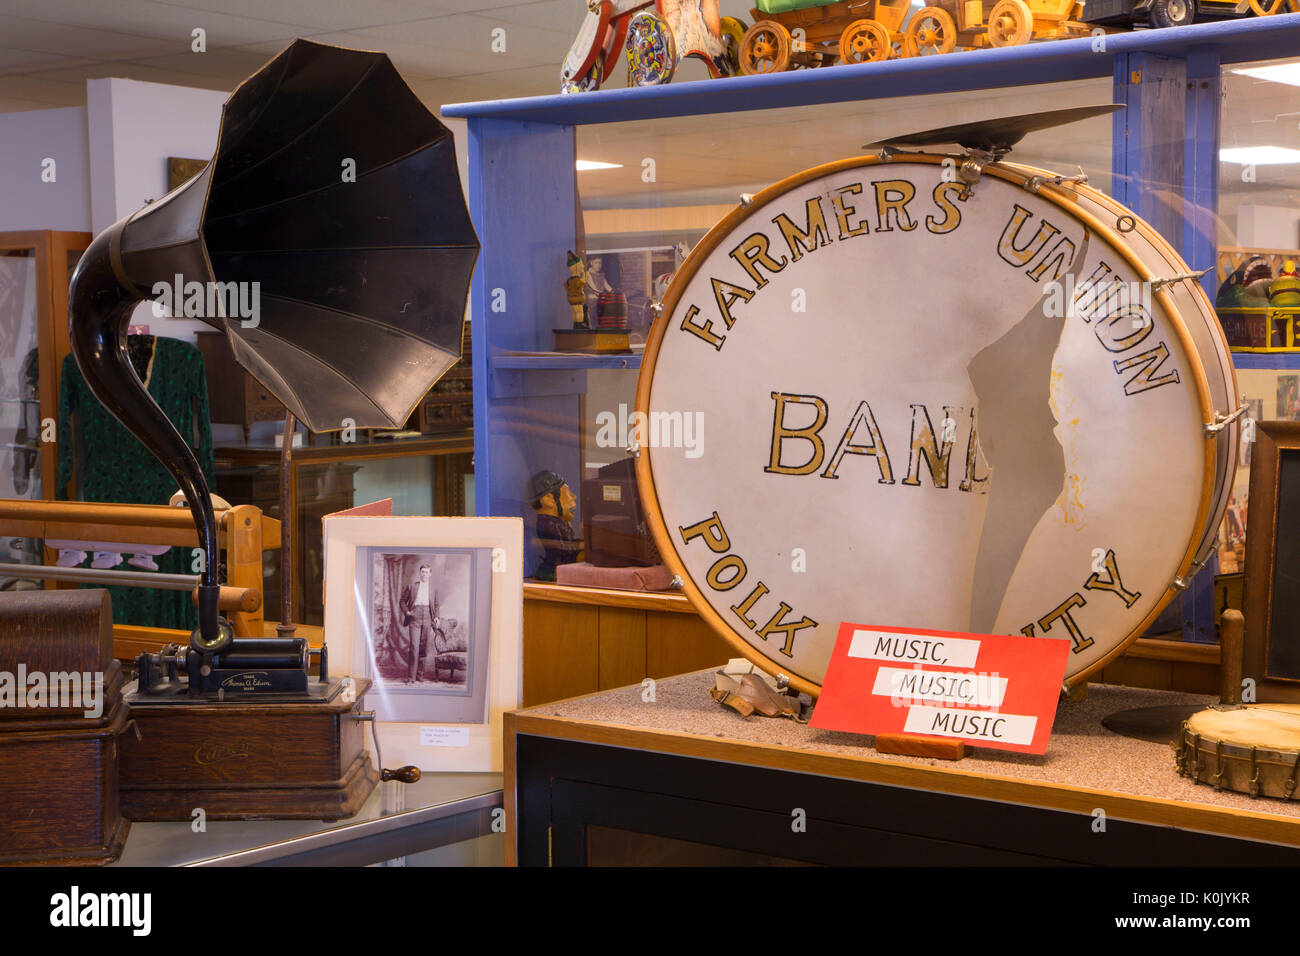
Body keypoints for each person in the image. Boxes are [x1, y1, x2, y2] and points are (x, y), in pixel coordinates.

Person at [398, 564, 440, 683]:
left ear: (430, 574)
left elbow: (436, 604)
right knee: (414, 647)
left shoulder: (433, 589)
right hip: (414, 617)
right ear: (419, 573)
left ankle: (420, 675)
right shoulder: (412, 586)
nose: (424, 574)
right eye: (422, 572)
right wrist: (407, 612)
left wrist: (436, 616)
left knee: (424, 648)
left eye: (426, 572)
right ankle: (411, 678)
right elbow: (402, 601)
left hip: (427, 617)